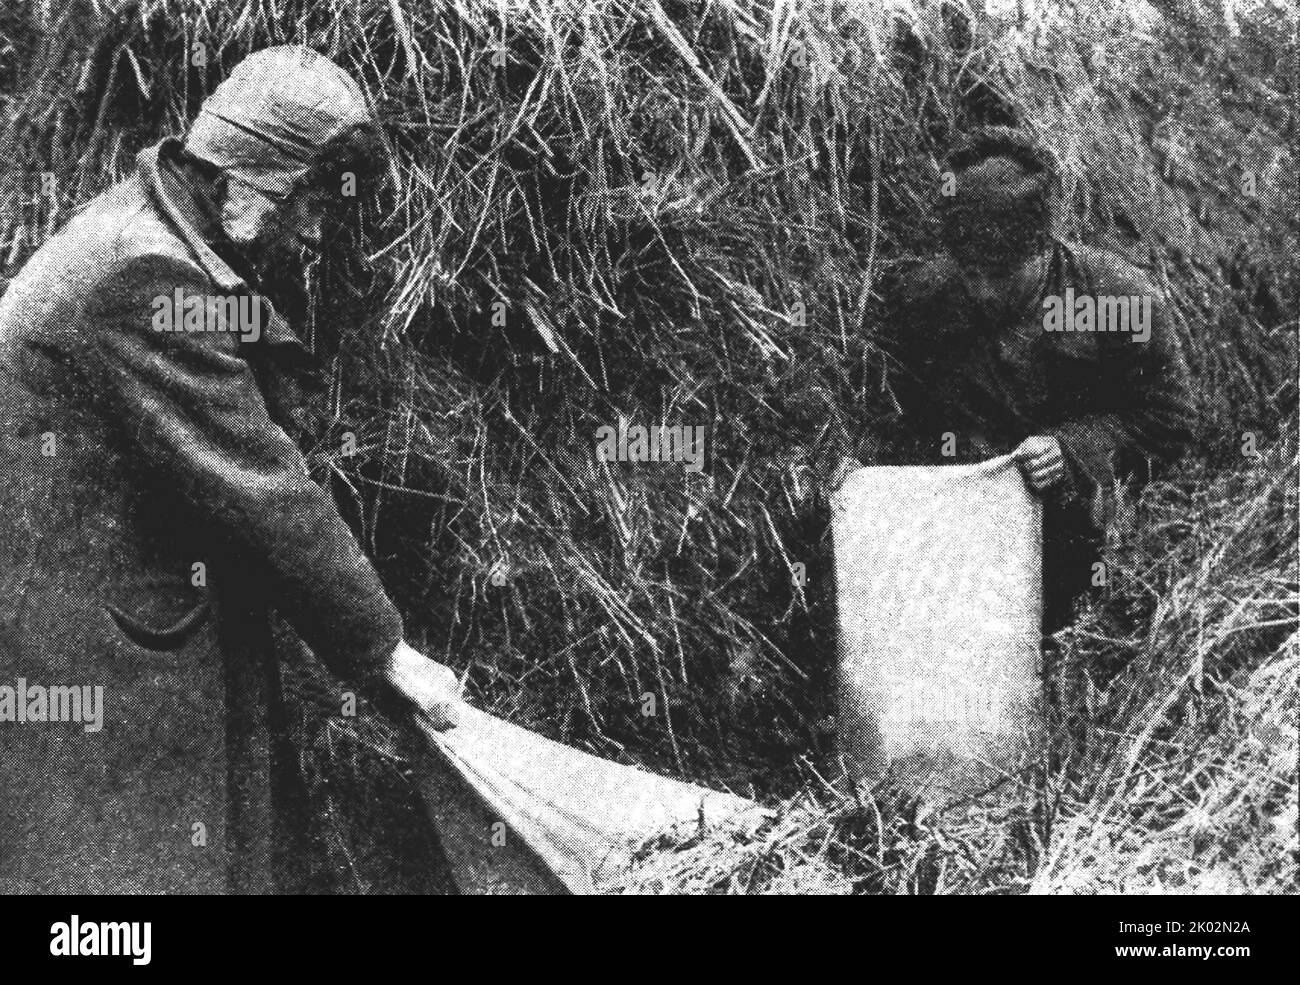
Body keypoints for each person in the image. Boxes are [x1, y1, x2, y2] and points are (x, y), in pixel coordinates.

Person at [0, 46, 460, 894]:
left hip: (119, 606)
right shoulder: (143, 271)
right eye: (310, 200)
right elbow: (260, 484)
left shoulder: (155, 229)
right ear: (250, 178)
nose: (316, 230)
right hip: (96, 654)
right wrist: (387, 652)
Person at [880, 126, 1197, 634]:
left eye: (1003, 275)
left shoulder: (1115, 304)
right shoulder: (926, 300)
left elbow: (1171, 422)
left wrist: (1069, 452)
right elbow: (898, 415)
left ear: (1043, 249)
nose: (983, 291)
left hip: (1085, 535)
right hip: (969, 542)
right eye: (971, 271)